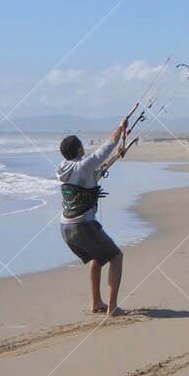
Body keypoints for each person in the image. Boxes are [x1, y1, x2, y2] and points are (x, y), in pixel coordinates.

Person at [57, 117, 129, 315]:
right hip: (83, 226)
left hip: (65, 228)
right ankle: (112, 307)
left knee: (96, 260)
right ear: (80, 150)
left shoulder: (63, 169)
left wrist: (115, 157)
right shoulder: (83, 166)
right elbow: (107, 146)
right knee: (116, 256)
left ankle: (97, 303)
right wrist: (120, 127)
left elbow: (92, 175)